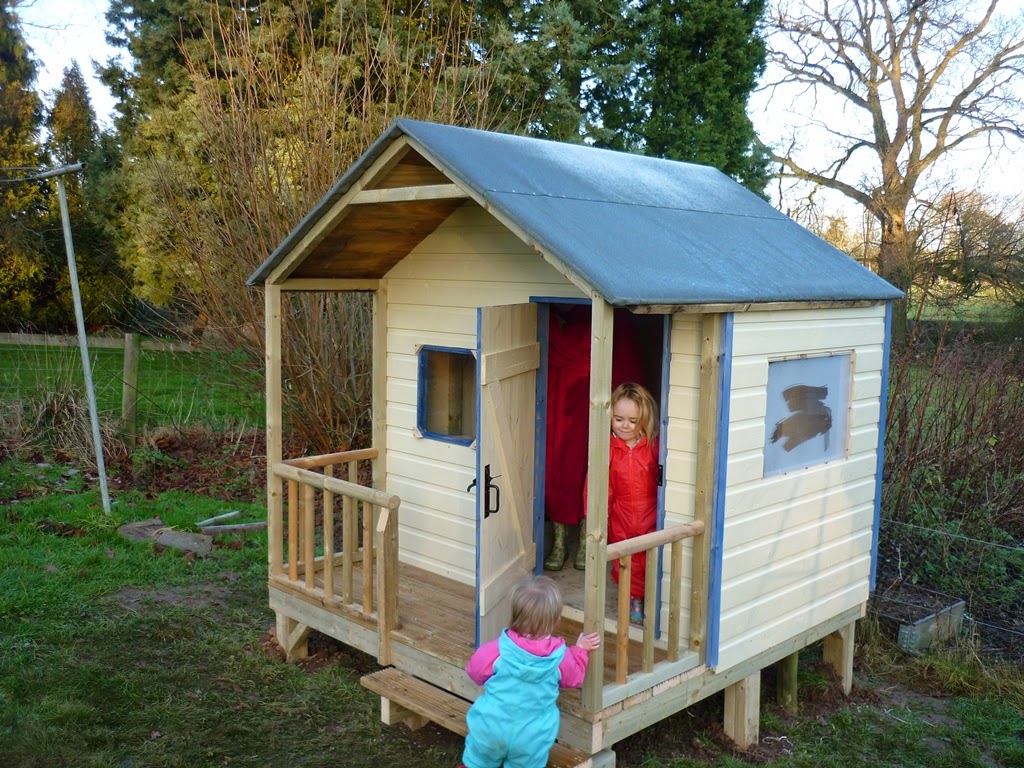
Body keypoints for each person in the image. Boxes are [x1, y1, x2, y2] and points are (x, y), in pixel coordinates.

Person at [459, 576, 602, 768]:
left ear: (515, 616)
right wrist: (580, 650)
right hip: (533, 735)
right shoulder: (560, 658)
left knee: (478, 762)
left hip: (490, 727)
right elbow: (575, 678)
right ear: (556, 620)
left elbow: (474, 671)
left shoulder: (497, 651)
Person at [604, 381, 660, 625]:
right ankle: (634, 599)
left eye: (633, 421)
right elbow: (598, 484)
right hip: (622, 513)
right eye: (618, 419)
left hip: (651, 512)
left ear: (645, 420)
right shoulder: (607, 448)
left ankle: (653, 598)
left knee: (650, 559)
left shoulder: (653, 447)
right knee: (626, 560)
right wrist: (595, 516)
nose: (625, 425)